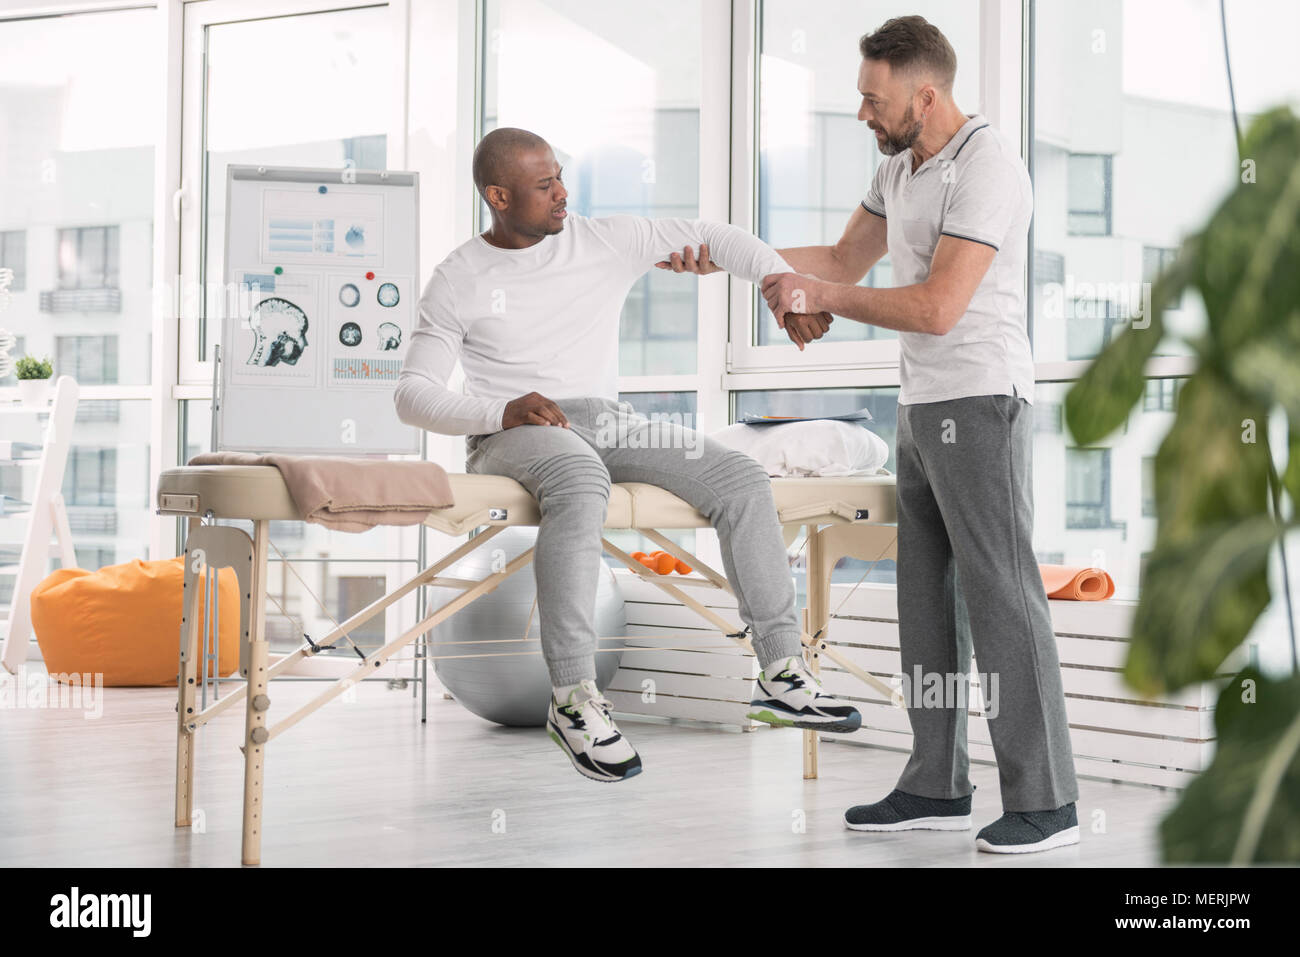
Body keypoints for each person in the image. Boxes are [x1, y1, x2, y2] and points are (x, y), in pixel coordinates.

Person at [657, 16, 1080, 853]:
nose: (860, 112)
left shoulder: (988, 166)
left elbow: (936, 306)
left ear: (924, 94)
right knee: (924, 598)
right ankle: (935, 782)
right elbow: (846, 260)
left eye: (871, 97)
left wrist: (814, 294)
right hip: (922, 403)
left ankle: (1049, 801)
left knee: (1001, 594)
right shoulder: (900, 166)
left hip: (981, 399)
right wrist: (727, 255)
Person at [395, 127, 862, 784]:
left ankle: (780, 673)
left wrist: (781, 280)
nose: (562, 194)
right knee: (581, 477)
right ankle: (574, 697)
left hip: (608, 421)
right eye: (543, 184)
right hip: (513, 432)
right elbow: (411, 395)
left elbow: (718, 236)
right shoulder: (461, 276)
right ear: (498, 195)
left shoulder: (601, 239)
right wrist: (501, 411)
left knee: (739, 475)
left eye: (560, 176)